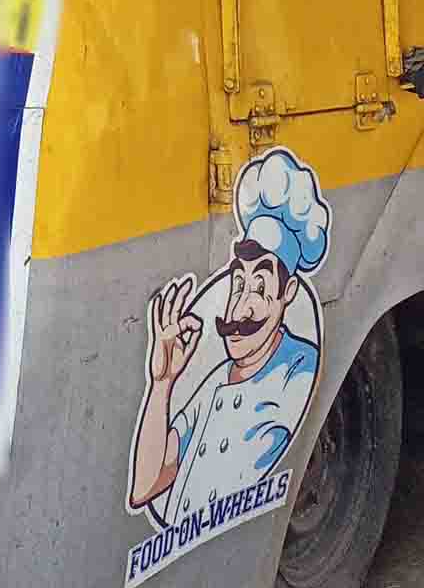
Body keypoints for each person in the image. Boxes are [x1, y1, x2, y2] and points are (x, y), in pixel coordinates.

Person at [129, 150, 330, 529]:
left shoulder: (298, 371)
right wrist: (162, 383)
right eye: (238, 284)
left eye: (259, 285)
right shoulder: (217, 380)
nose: (240, 307)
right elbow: (145, 486)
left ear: (287, 294)